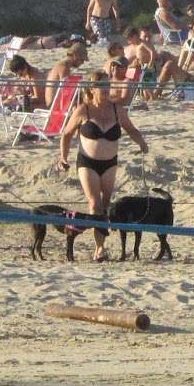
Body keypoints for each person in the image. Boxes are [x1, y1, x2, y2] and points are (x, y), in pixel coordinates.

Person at [58, 79, 148, 261]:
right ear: (92, 89)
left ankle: (99, 245)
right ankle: (100, 248)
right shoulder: (84, 109)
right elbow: (67, 134)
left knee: (105, 205)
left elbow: (131, 129)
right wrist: (63, 157)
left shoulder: (117, 109)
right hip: (87, 162)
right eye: (102, 88)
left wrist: (141, 142)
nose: (107, 91)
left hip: (110, 163)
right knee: (94, 204)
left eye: (108, 87)